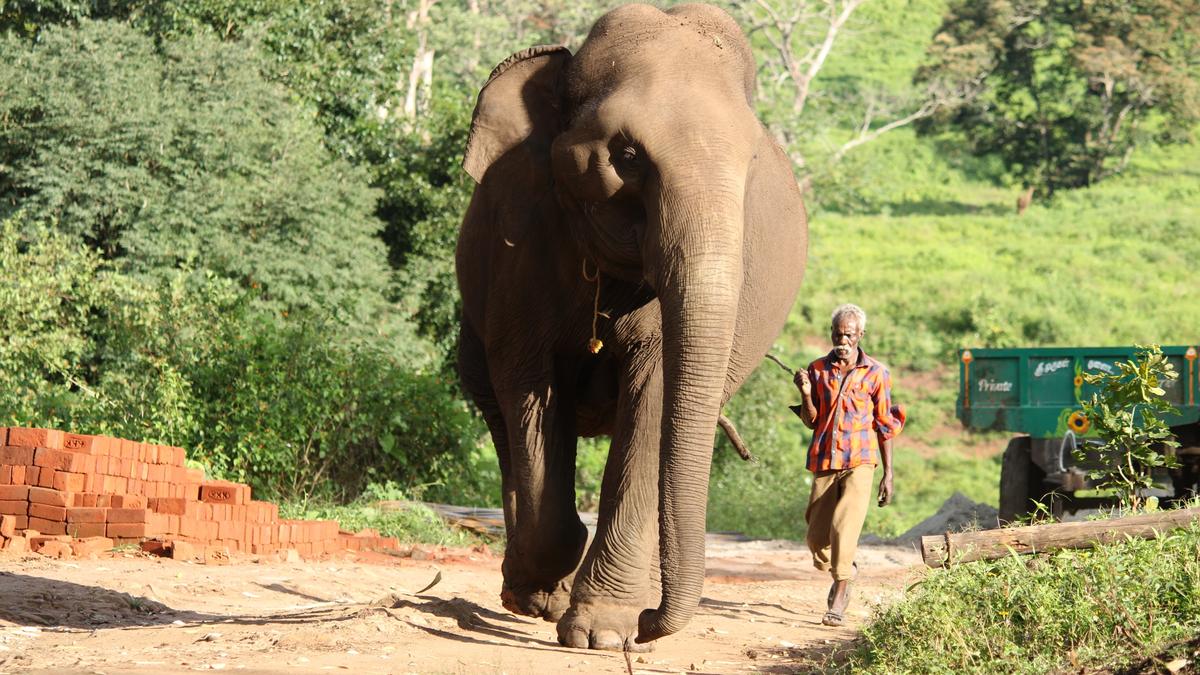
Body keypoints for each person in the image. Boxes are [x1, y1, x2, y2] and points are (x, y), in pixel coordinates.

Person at [792, 303, 903, 626]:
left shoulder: (876, 373)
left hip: (860, 459)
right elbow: (811, 421)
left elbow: (885, 425)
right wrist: (806, 393)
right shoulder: (817, 370)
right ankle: (846, 568)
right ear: (831, 333)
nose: (843, 341)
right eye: (839, 334)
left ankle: (840, 593)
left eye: (850, 335)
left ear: (861, 335)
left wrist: (889, 474)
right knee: (816, 539)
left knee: (844, 525)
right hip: (826, 458)